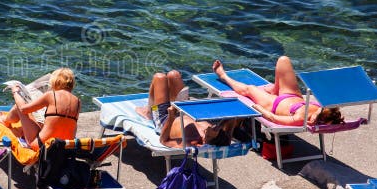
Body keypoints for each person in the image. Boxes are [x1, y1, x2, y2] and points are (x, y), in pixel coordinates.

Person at [212, 56, 343, 126]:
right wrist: (320, 111)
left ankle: (223, 76)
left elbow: (273, 118)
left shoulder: (300, 119)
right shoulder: (324, 108)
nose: (314, 119)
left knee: (250, 89)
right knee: (283, 60)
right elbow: (333, 100)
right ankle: (275, 89)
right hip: (293, 95)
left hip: (273, 103)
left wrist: (257, 108)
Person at [136, 71, 240, 147]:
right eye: (217, 129)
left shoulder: (192, 142)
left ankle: (149, 112)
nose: (214, 127)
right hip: (183, 111)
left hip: (165, 118)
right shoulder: (220, 136)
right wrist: (220, 126)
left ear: (207, 140)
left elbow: (164, 141)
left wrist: (171, 117)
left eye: (214, 130)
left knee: (159, 77)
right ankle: (171, 102)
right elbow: (233, 118)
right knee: (174, 75)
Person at [0, 68, 80, 150]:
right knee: (39, 117)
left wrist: (15, 92)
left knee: (19, 106)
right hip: (65, 147)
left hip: (42, 145)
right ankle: (13, 124)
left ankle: (5, 120)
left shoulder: (51, 95)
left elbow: (23, 109)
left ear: (55, 81)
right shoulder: (78, 102)